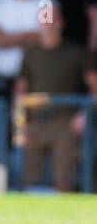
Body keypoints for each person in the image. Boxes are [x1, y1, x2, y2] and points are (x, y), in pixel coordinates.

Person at [16, 13, 97, 192]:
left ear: (62, 22)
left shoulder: (76, 52)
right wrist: (20, 123)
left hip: (64, 122)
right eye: (44, 19)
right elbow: (20, 89)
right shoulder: (31, 52)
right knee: (30, 180)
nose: (49, 24)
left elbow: (94, 86)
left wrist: (84, 115)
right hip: (34, 121)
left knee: (63, 180)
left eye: (53, 19)